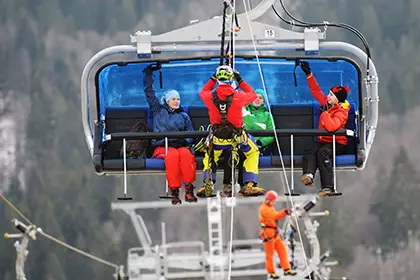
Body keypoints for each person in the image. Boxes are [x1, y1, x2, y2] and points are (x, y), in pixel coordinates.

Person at [196, 65, 265, 198]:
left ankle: (207, 184)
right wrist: (240, 80)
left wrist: (212, 79)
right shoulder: (238, 96)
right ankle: (249, 184)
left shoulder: (210, 97)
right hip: (237, 139)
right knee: (253, 152)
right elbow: (252, 94)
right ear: (230, 78)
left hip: (217, 138)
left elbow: (203, 91)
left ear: (218, 78)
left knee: (210, 156)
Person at [143, 64, 197, 205]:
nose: (176, 101)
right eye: (173, 99)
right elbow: (149, 93)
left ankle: (189, 188)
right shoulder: (158, 110)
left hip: (179, 145)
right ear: (167, 101)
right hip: (163, 145)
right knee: (172, 156)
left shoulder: (184, 116)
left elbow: (190, 133)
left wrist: (187, 141)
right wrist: (149, 74)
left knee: (186, 155)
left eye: (178, 99)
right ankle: (174, 191)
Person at [299, 61, 350, 196]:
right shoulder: (328, 105)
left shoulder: (341, 111)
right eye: (329, 94)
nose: (328, 97)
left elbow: (332, 126)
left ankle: (328, 186)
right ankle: (309, 174)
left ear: (337, 99)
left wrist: (324, 114)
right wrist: (309, 75)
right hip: (325, 141)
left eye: (331, 95)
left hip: (337, 143)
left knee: (322, 153)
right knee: (311, 149)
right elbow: (316, 91)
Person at [220, 88, 275, 196]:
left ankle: (246, 185)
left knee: (248, 153)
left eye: (260, 98)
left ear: (264, 101)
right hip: (241, 142)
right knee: (230, 153)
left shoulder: (268, 116)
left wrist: (260, 142)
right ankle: (228, 185)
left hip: (257, 145)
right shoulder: (243, 111)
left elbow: (272, 135)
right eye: (255, 97)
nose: (258, 99)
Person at [259, 190, 297, 278]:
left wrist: (285, 212)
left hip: (274, 233)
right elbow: (274, 216)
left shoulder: (270, 207)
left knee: (282, 250)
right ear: (269, 200)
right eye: (273, 200)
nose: (274, 202)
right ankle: (271, 272)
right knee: (270, 254)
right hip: (268, 233)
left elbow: (274, 216)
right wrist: (285, 212)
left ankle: (287, 269)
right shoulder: (264, 208)